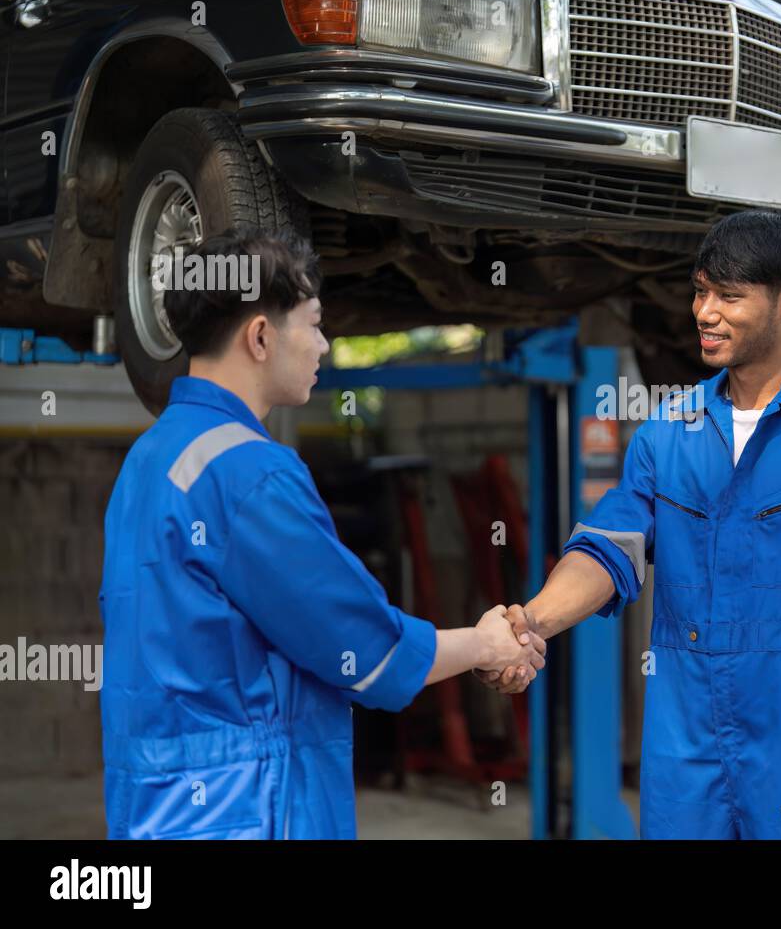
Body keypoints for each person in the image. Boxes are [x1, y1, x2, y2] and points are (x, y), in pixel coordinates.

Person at [479, 210, 781, 839]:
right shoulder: (669, 432)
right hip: (685, 752)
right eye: (701, 290)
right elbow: (608, 550)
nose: (705, 311)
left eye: (730, 295)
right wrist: (529, 625)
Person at [98, 228, 543, 839]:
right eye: (313, 324)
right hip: (247, 811)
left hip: (157, 807)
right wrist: (489, 644)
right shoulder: (248, 471)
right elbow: (364, 649)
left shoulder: (149, 460)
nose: (324, 345)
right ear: (260, 336)